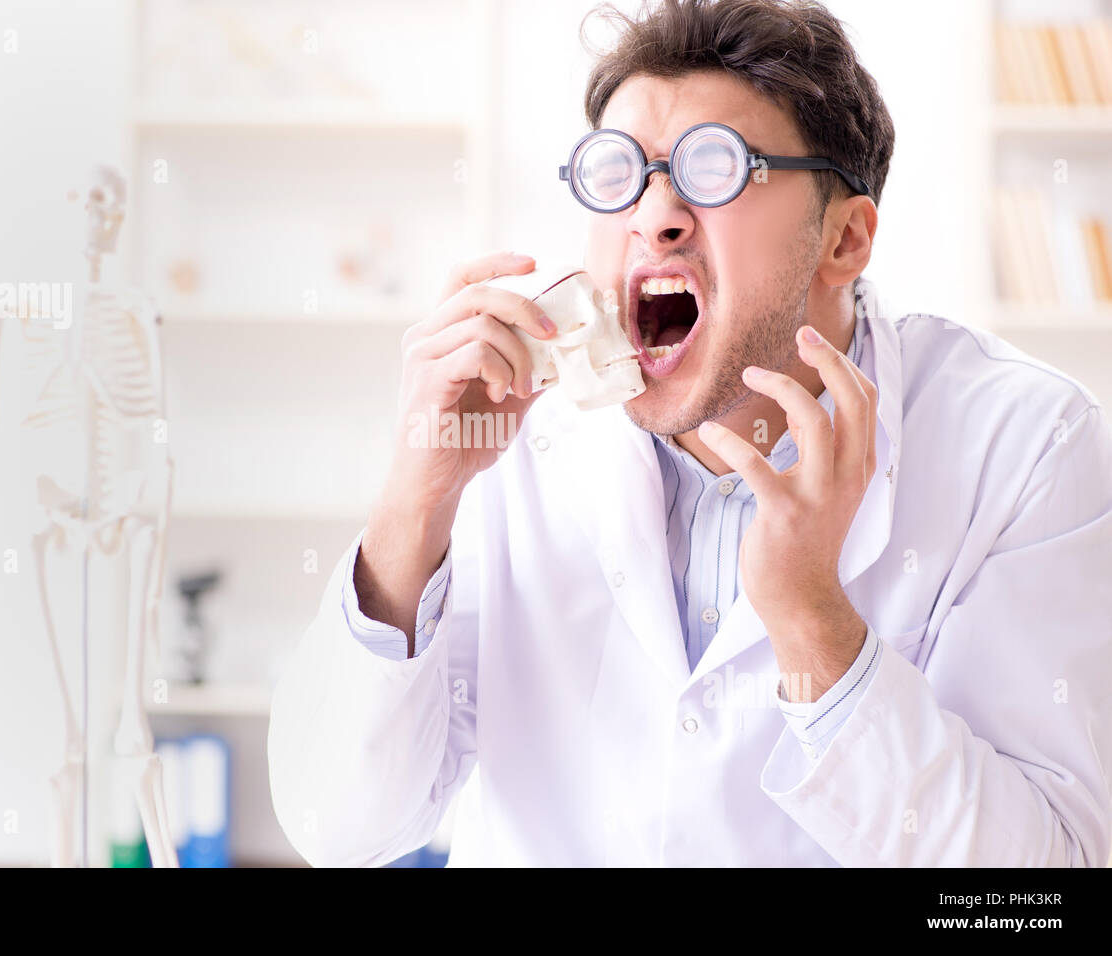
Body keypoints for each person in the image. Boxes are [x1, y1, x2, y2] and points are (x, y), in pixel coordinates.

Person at [267, 0, 1112, 866]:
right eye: (619, 172)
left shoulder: (1025, 444)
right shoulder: (508, 427)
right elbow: (339, 827)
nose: (655, 215)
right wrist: (417, 499)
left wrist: (815, 624)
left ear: (845, 239)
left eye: (717, 167)